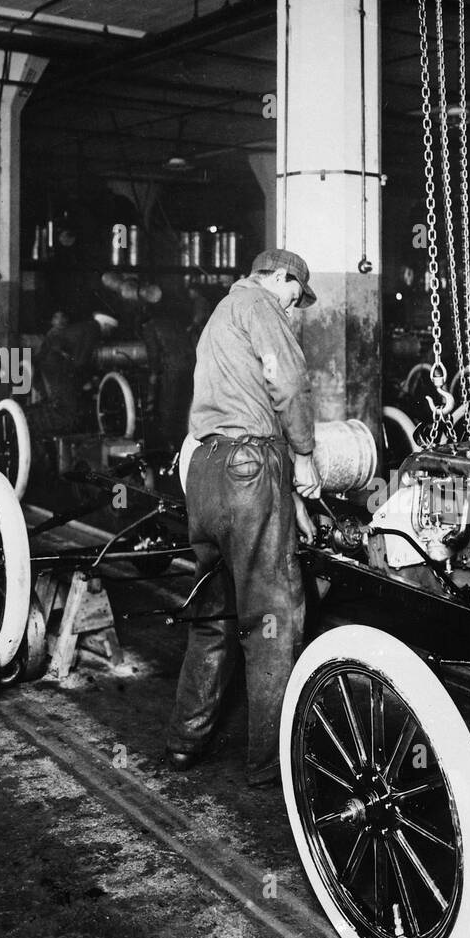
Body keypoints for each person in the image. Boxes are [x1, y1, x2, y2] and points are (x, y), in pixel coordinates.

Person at [166, 249, 322, 787]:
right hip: (249, 470)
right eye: (295, 297)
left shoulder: (219, 315)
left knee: (216, 614)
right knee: (274, 617)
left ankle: (186, 740)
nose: (294, 309)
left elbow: (235, 406)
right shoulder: (261, 307)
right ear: (280, 278)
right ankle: (270, 762)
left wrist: (286, 499)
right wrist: (303, 456)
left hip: (205, 472)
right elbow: (289, 383)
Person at [30, 312, 117, 435]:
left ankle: (28, 420)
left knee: (54, 402)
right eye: (111, 329)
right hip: (56, 365)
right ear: (106, 325)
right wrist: (88, 381)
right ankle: (29, 422)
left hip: (47, 363)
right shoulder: (94, 330)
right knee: (67, 410)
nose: (110, 333)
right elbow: (80, 361)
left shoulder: (86, 326)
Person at [137, 300, 196, 451]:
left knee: (167, 405)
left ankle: (168, 445)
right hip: (190, 365)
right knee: (183, 405)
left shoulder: (150, 327)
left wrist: (153, 373)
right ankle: (182, 441)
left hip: (172, 368)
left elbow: (154, 353)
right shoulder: (175, 323)